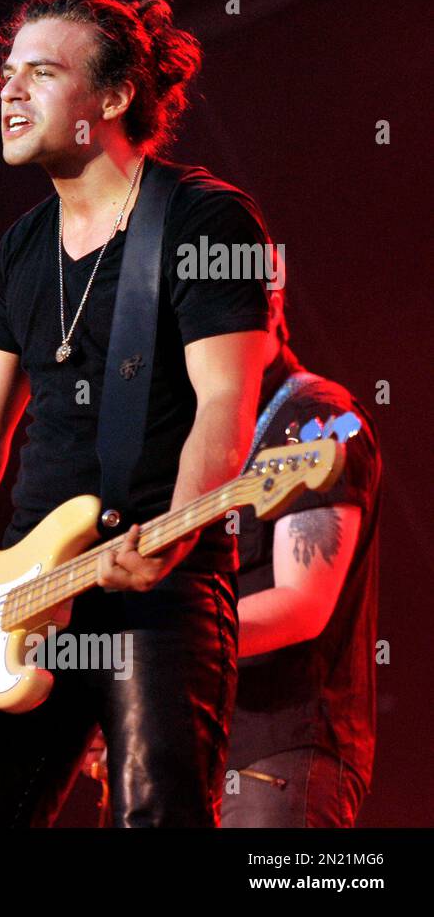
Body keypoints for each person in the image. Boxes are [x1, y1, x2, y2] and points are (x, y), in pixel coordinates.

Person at [0, 0, 271, 827]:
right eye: (7, 76)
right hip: (19, 597)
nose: (8, 93)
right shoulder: (22, 248)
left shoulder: (205, 220)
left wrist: (177, 529)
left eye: (40, 74)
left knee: (158, 813)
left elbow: (224, 404)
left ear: (113, 98)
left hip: (159, 586)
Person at [221, 283, 381, 827]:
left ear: (268, 307)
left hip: (280, 751)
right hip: (201, 751)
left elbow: (302, 605)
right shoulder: (212, 431)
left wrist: (167, 646)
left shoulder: (316, 419)